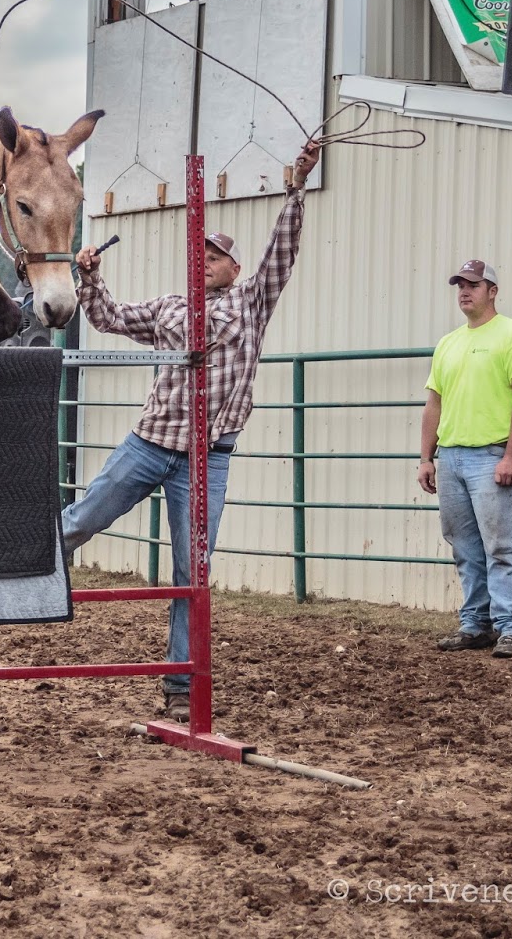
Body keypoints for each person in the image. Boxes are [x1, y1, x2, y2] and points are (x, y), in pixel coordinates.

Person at [63, 142, 320, 722]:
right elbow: (108, 318)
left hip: (209, 456)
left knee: (191, 570)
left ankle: (180, 684)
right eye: (199, 252)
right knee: (83, 519)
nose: (205, 259)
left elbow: (284, 250)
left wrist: (297, 187)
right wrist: (89, 277)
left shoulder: (252, 302)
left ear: (235, 267)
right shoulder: (170, 307)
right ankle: (19, 565)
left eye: (217, 255)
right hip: (151, 443)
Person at [418, 260, 512, 659]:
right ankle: (475, 623)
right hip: (452, 456)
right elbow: (433, 403)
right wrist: (427, 457)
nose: (464, 291)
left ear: (493, 290)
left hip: (492, 454)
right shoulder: (448, 343)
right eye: (460, 285)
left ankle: (510, 627)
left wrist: (511, 454)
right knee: (465, 545)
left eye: (473, 284)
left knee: (501, 543)